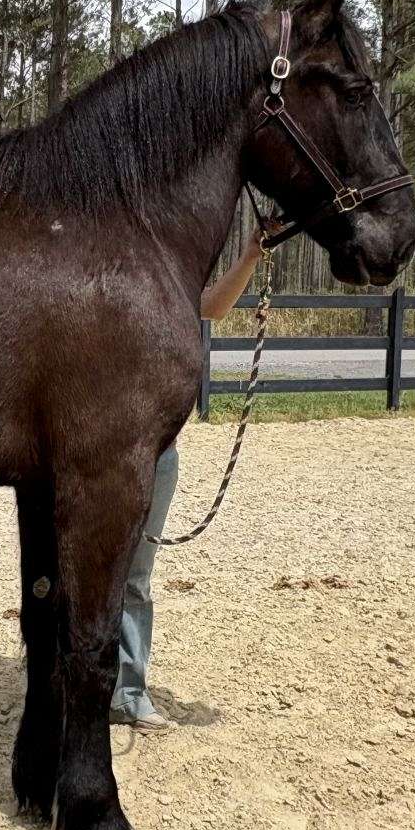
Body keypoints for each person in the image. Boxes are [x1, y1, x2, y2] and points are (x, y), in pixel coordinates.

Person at [109, 225, 277, 733]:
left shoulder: (168, 277)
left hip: (156, 454)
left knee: (135, 576)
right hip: (98, 457)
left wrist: (249, 257)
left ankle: (130, 692)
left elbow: (213, 305)